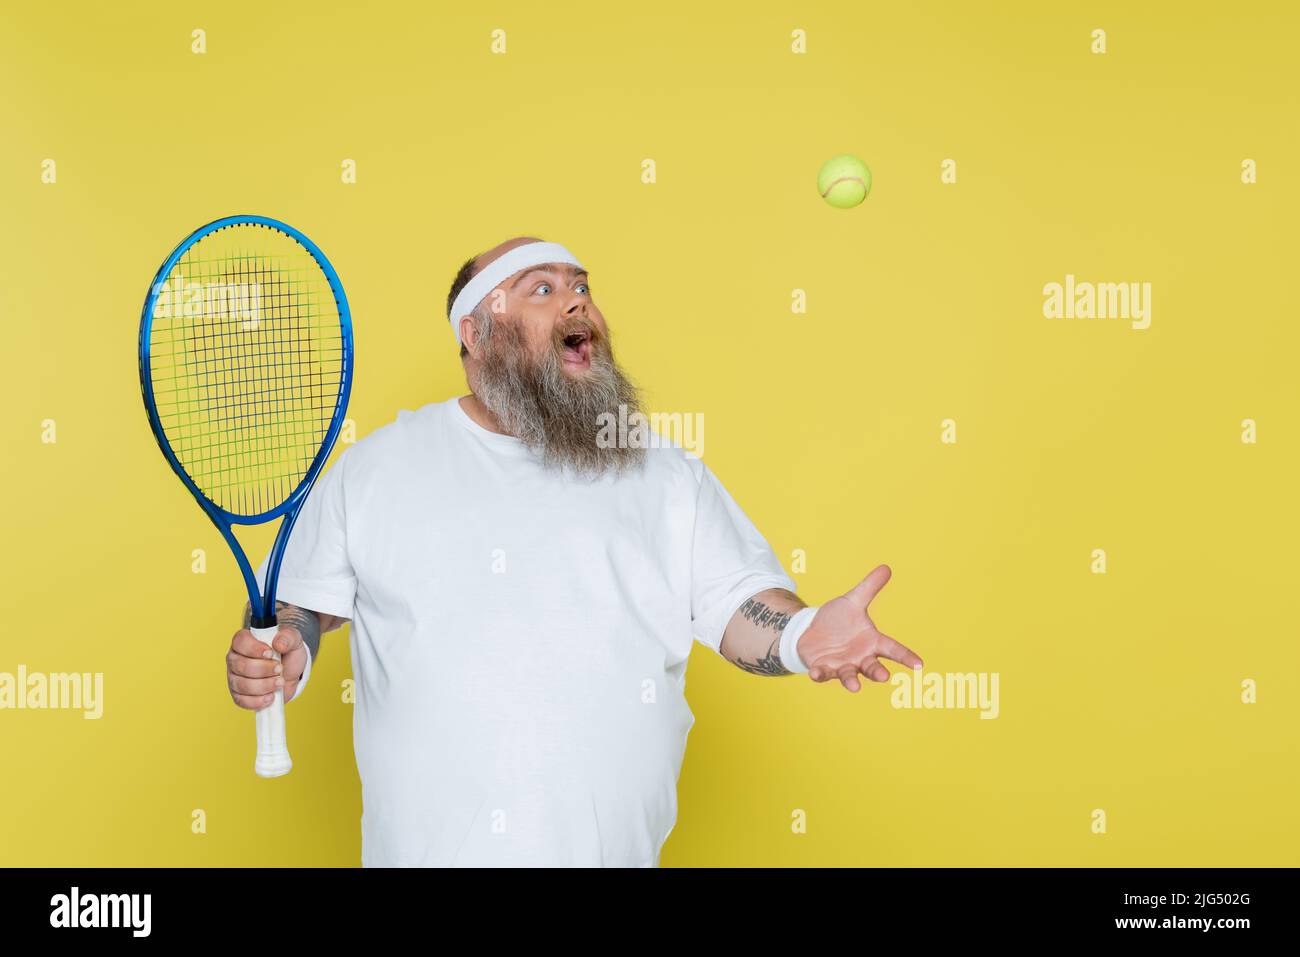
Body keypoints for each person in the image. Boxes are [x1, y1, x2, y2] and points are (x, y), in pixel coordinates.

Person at [224, 236, 923, 866]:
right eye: (543, 288)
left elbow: (738, 606)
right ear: (476, 332)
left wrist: (804, 634)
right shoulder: (377, 468)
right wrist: (291, 644)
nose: (577, 301)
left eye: (582, 286)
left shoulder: (662, 474)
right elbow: (306, 604)